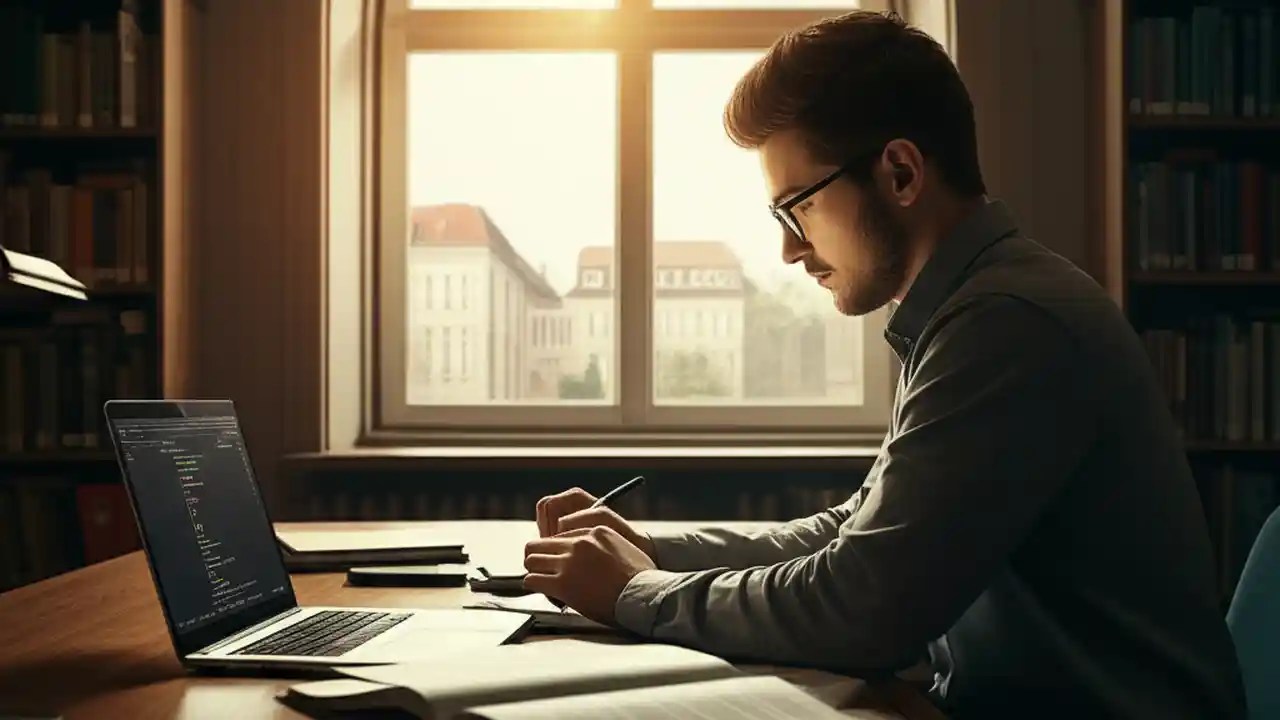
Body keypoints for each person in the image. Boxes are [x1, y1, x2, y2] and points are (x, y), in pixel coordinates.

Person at [521, 10, 1246, 719]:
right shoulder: (967, 307)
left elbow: (863, 605)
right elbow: (854, 530)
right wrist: (648, 548)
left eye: (795, 209)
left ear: (900, 172)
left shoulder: (1009, 322)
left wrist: (633, 593)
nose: (789, 250)